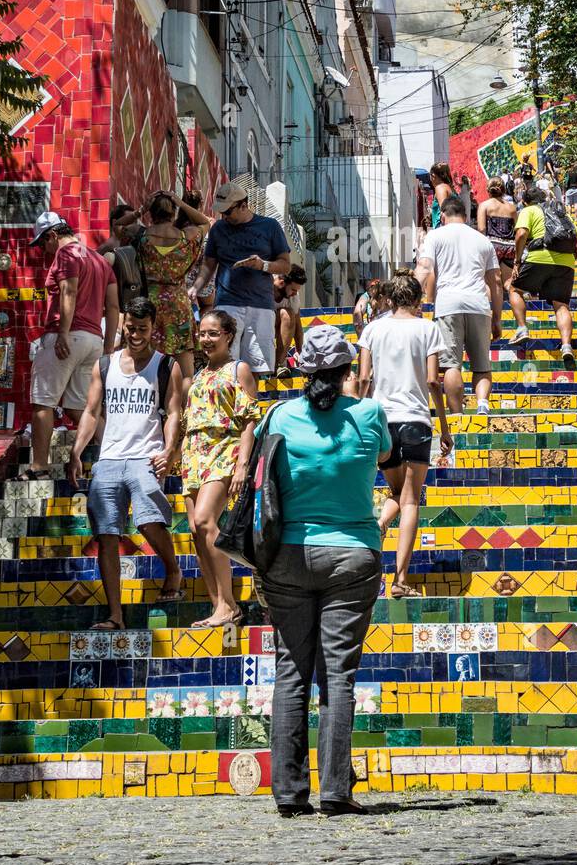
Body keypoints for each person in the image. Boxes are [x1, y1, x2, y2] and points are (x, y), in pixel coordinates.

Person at [238, 323, 390, 816]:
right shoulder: (368, 415)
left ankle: (288, 794)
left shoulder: (279, 414)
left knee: (291, 672)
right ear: (347, 370)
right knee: (338, 675)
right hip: (353, 555)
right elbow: (385, 454)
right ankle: (336, 791)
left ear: (302, 370)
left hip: (288, 558)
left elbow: (259, 463)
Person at [67, 297, 184, 630]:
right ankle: (115, 616)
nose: (135, 334)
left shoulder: (166, 365)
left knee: (149, 520)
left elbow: (174, 413)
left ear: (153, 328)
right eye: (131, 328)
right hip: (109, 458)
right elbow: (92, 412)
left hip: (146, 455)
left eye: (142, 329)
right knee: (106, 534)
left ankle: (173, 568)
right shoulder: (105, 365)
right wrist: (77, 450)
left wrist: (169, 450)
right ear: (123, 324)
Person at [357, 272, 452, 598]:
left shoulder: (372, 329)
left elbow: (363, 379)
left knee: (397, 491)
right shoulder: (428, 329)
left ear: (388, 299)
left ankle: (380, 523)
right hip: (414, 421)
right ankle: (399, 582)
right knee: (412, 500)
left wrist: (357, 417)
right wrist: (445, 426)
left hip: (379, 421)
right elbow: (433, 381)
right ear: (417, 299)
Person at [181, 309, 262, 627]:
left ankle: (228, 603)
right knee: (195, 531)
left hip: (223, 453)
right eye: (202, 333)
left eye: (213, 333)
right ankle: (218, 606)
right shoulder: (198, 375)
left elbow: (250, 418)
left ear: (229, 336)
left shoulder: (238, 369)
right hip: (193, 458)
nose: (205, 339)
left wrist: (243, 463)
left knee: (205, 521)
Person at [26, 212, 119, 479]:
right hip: (94, 342)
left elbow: (69, 291)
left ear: (53, 235)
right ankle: (113, 456)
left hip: (65, 336)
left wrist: (63, 333)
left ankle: (39, 467)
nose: (43, 250)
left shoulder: (67, 255)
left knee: (42, 402)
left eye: (43, 243)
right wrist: (109, 346)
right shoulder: (100, 260)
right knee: (79, 408)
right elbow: (113, 306)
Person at [188, 181, 291, 381]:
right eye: (221, 212)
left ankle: (250, 409)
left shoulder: (269, 226)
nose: (223, 216)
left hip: (260, 305)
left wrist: (263, 265)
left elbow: (285, 265)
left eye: (227, 211)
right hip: (227, 303)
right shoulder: (218, 228)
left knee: (256, 367)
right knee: (223, 364)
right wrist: (196, 288)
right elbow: (209, 265)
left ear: (243, 205)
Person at [415, 195, 502, 413]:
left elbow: (425, 267)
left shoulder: (435, 236)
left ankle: (456, 415)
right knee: (482, 365)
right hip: (479, 305)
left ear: (442, 216)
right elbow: (497, 281)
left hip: (448, 305)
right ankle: (482, 405)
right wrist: (497, 317)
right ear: (466, 216)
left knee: (451, 364)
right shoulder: (483, 241)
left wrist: (410, 298)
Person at [112, 190, 210, 381]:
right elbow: (204, 222)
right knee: (185, 371)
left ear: (151, 213)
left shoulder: (140, 236)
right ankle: (183, 409)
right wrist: (181, 203)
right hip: (178, 304)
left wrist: (140, 210)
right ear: (173, 213)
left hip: (150, 303)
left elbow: (117, 225)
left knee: (147, 362)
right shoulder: (186, 237)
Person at [510, 184, 576, 369]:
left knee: (515, 288)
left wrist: (517, 261)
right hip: (566, 262)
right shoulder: (560, 212)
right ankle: (566, 346)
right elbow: (576, 240)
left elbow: (521, 234)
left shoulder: (528, 210)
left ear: (525, 201)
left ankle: (522, 328)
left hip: (539, 256)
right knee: (561, 304)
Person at [477, 178, 518, 290]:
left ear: (488, 190)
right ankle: (519, 296)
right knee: (508, 281)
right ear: (503, 190)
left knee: (491, 283)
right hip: (510, 247)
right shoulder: (512, 208)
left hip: (492, 246)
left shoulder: (484, 205)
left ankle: (491, 306)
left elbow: (481, 229)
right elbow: (517, 229)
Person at [273, 265, 307, 373]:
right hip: (258, 328)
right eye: (293, 289)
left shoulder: (293, 297)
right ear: (282, 282)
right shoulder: (265, 286)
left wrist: (301, 353)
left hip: (274, 327)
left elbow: (297, 326)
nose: (294, 293)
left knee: (288, 314)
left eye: (296, 291)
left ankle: (279, 364)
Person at [427, 163, 455, 229]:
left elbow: (444, 212)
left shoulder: (440, 188)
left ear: (433, 176)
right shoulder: (450, 188)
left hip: (442, 228)